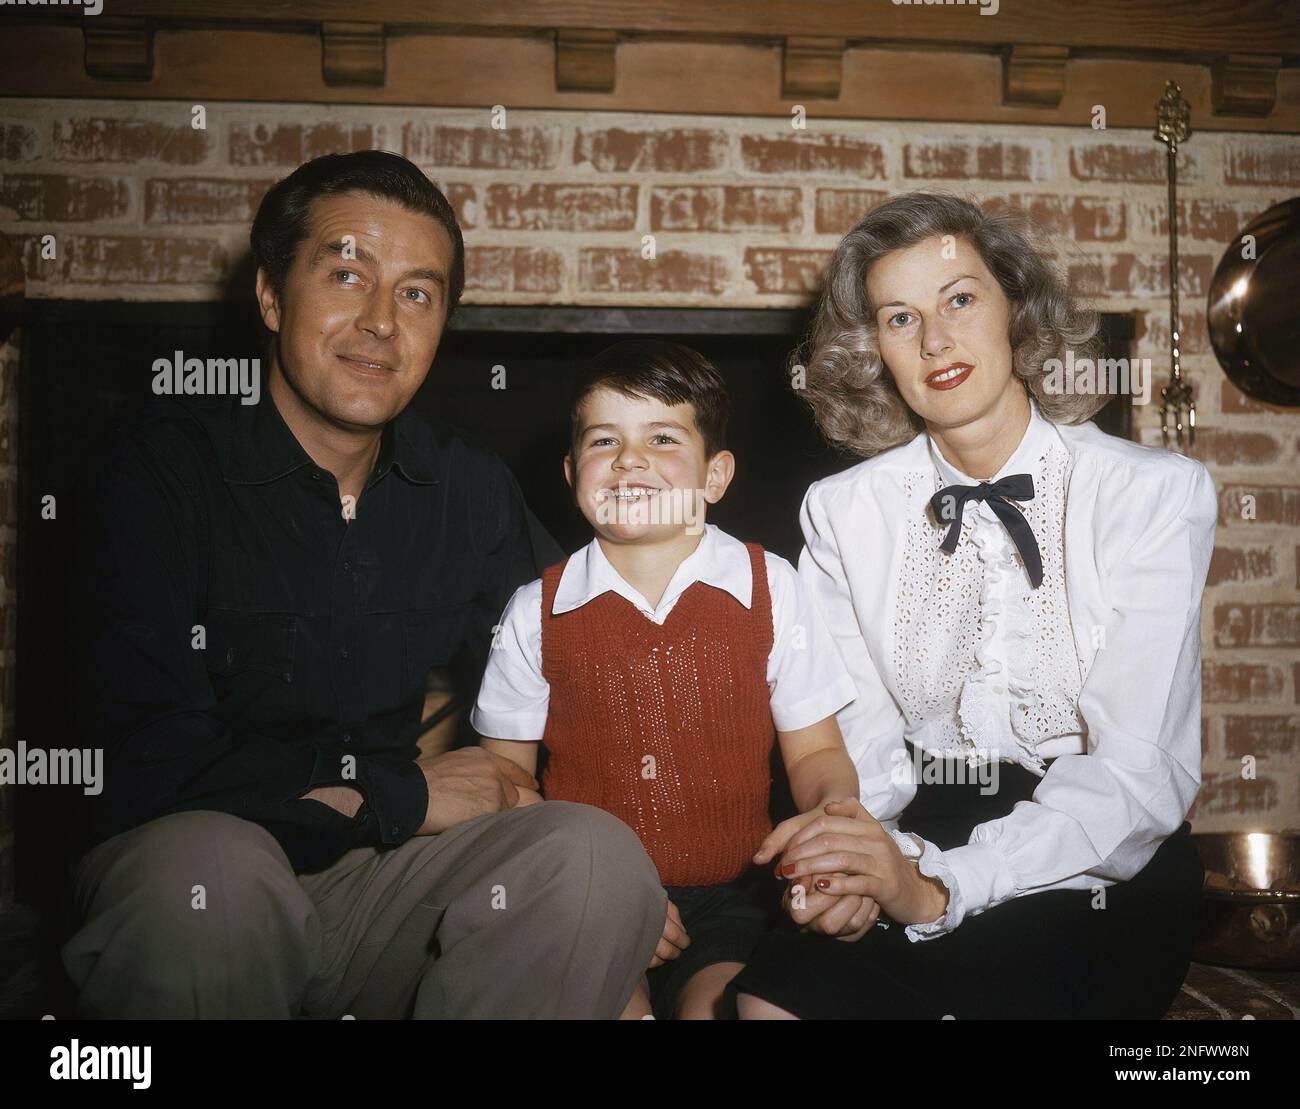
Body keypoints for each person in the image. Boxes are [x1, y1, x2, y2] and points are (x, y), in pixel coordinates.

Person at [59, 151, 666, 1019]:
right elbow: (142, 766)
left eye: (417, 293)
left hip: (382, 887)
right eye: (347, 274)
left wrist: (634, 907)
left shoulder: (465, 485)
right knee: (217, 876)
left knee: (593, 856)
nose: (382, 321)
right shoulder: (157, 467)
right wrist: (401, 794)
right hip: (190, 878)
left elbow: (582, 673)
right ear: (270, 295)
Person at [731, 192, 1217, 1020]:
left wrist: (934, 886)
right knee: (771, 1004)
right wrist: (856, 861)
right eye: (898, 317)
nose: (935, 340)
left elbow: (1136, 775)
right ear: (873, 349)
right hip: (925, 817)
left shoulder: (1153, 495)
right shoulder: (843, 512)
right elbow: (860, 747)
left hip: (1098, 847)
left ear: (1015, 310)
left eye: (960, 298)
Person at [472, 340, 862, 1019]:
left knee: (728, 1007)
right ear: (571, 473)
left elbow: (819, 753)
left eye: (661, 437)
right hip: (591, 892)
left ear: (716, 476)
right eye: (604, 439)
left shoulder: (772, 587)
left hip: (736, 894)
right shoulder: (536, 611)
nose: (629, 459)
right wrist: (599, 897)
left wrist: (832, 827)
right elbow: (504, 780)